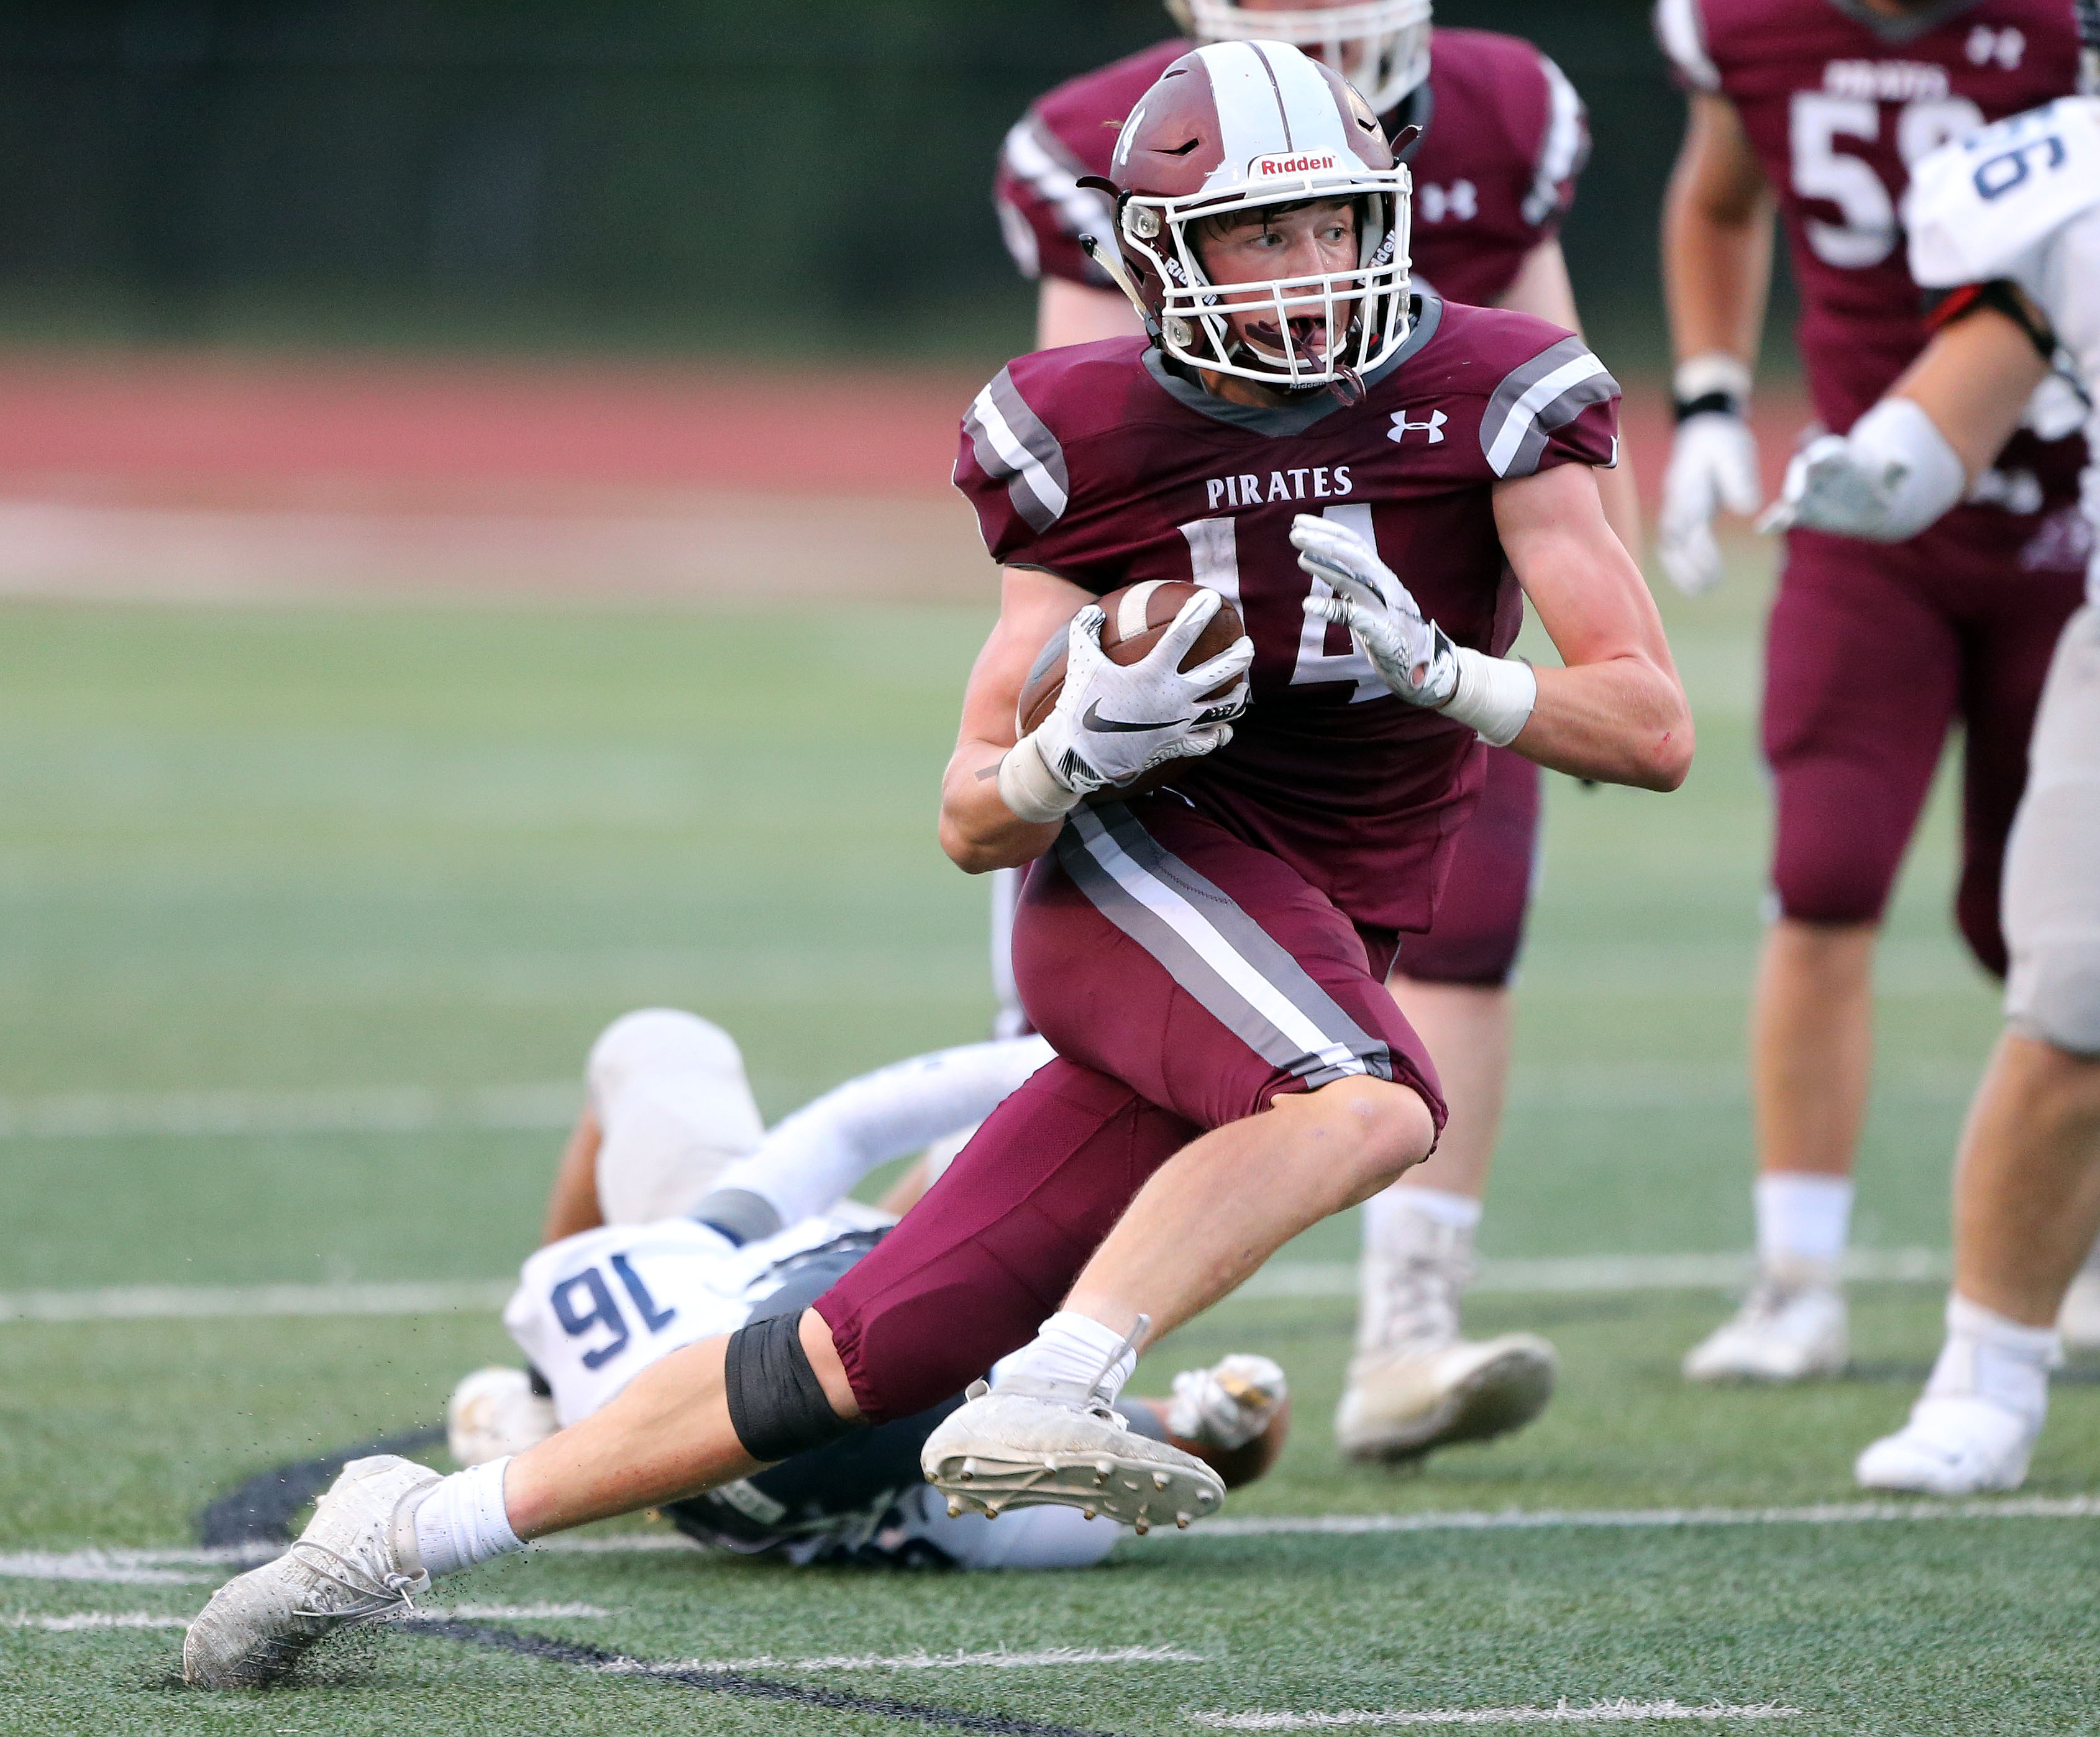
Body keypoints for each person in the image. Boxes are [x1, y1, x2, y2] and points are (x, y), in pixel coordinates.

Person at [183, 45, 1688, 1689]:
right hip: (1140, 881)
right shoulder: (1079, 425)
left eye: (1332, 223)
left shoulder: (1497, 388)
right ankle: (1064, 1385)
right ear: (1153, 254)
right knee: (1372, 1101)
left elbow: (1651, 723)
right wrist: (1079, 745)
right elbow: (976, 810)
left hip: (1310, 926)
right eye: (1260, 236)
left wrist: (1453, 676)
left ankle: (394, 1533)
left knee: (863, 1352)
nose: (1310, 270)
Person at [994, 0, 1641, 1467]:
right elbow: (1110, 430)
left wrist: (1588, 653)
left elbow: (1561, 364)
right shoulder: (1109, 132)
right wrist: (1103, 690)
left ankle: (1409, 1330)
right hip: (1219, 657)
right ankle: (988, 1340)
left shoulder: (1501, 102)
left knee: (1461, 945)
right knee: (1095, 1083)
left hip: (1432, 590)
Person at [1653, 0, 2100, 1382]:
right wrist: (1707, 400)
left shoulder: (2079, 30)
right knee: (1821, 874)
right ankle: (1796, 1278)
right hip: (1864, 505)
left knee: (2036, 911)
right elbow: (1717, 199)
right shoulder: (1743, 26)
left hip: (2081, 514)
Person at [1758, 0, 2100, 1490]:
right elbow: (1969, 384)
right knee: (2079, 992)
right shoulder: (2059, 183)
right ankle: (1991, 1378)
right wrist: (1877, 474)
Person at [449, 1007, 1289, 1570]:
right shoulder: (984, 1510)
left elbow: (844, 1128)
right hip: (846, 1346)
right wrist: (1236, 1412)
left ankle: (550, 1423)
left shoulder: (663, 1299)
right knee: (1059, 1159)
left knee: (657, 1045)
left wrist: (551, 1390)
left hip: (700, 1316)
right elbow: (1224, 1452)